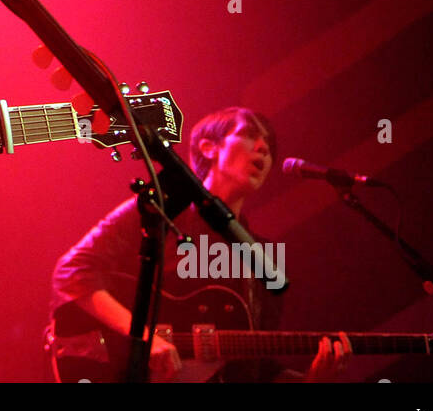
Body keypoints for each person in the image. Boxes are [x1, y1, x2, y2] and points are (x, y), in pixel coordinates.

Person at [49, 106, 350, 382]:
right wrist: (145, 337)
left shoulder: (262, 260)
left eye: (269, 145)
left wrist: (312, 381)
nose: (264, 148)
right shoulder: (160, 209)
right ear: (209, 147)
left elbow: (257, 371)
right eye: (249, 135)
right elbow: (72, 272)